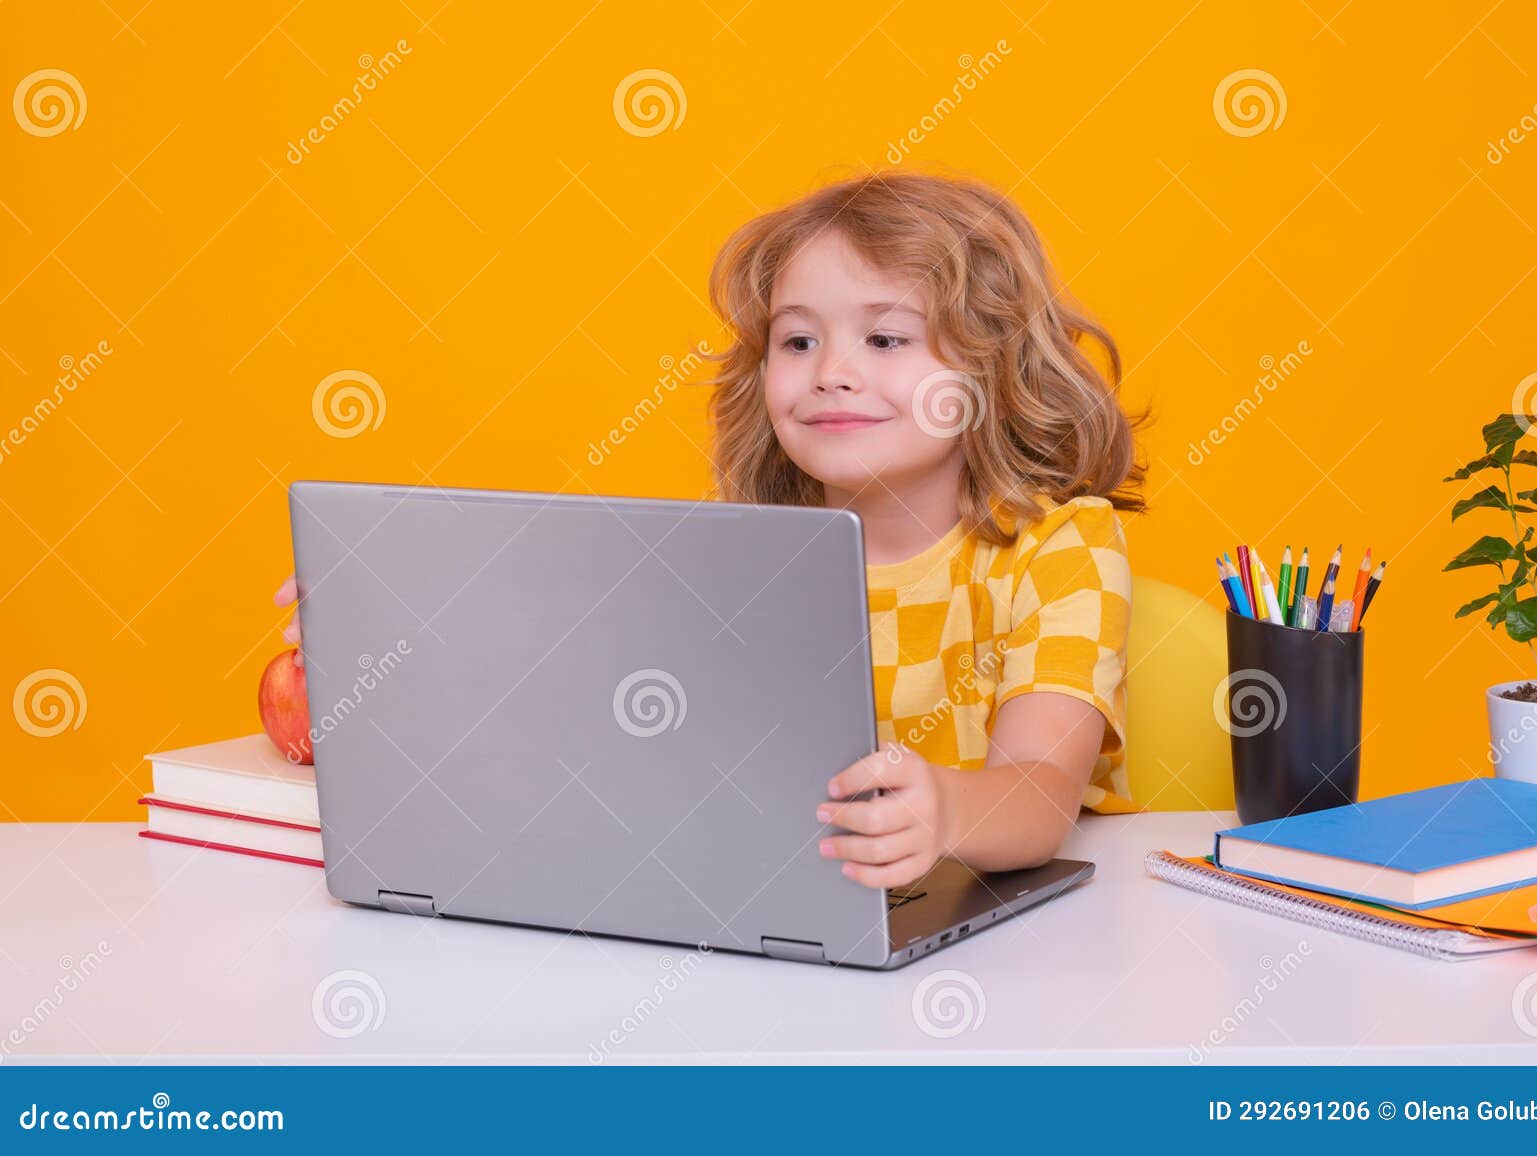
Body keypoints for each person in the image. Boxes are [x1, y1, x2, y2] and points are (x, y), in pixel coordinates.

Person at [276, 169, 1144, 891]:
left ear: (994, 368)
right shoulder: (735, 562)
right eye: (796, 342)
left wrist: (947, 811)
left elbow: (1040, 792)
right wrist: (386, 657)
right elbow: (584, 736)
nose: (832, 372)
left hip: (997, 929)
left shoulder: (1061, 549)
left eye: (885, 339)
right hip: (783, 912)